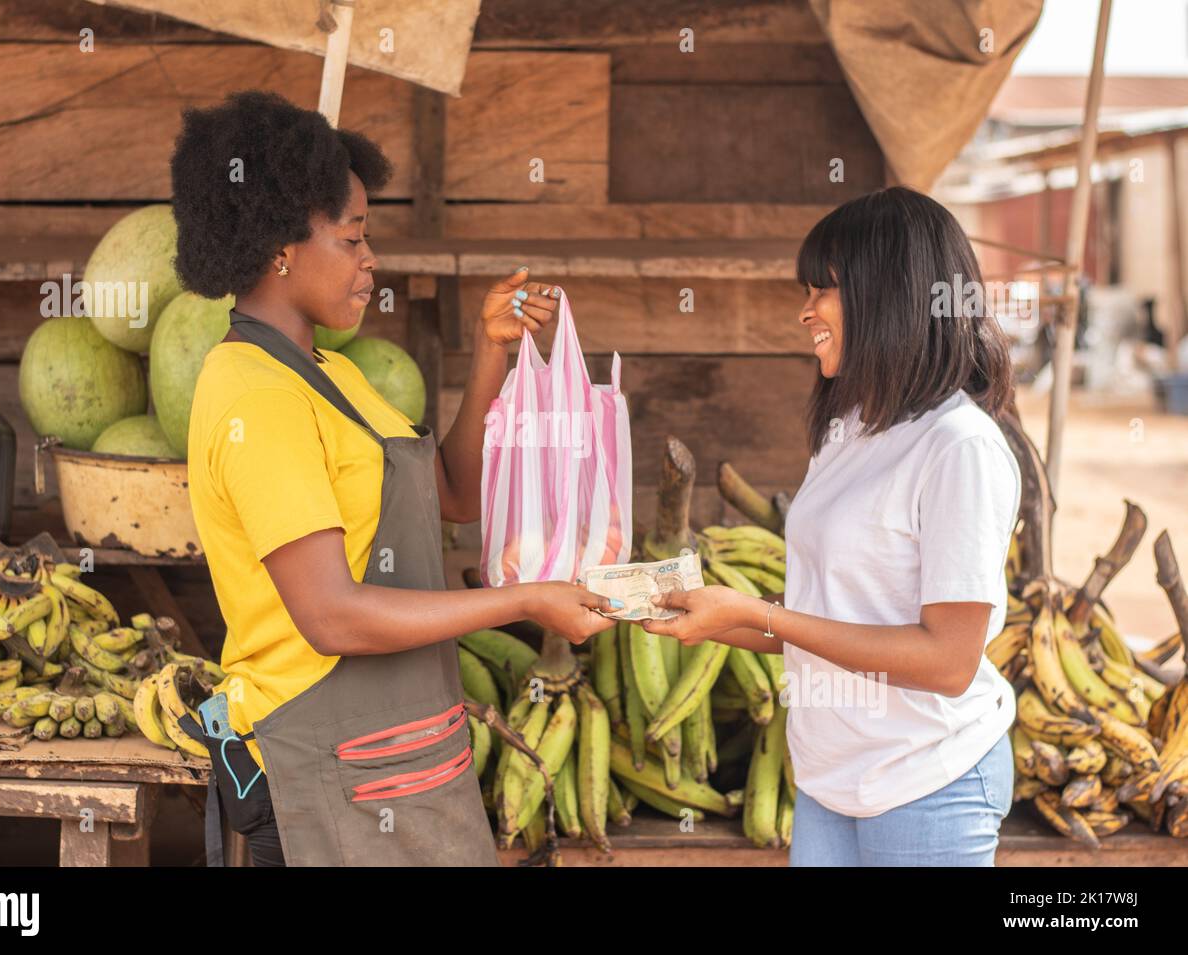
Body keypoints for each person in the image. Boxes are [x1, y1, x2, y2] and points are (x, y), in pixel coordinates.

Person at [170, 90, 617, 867]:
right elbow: (332, 618)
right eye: (352, 238)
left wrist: (489, 355)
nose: (369, 259)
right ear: (280, 248)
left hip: (404, 762)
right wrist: (522, 601)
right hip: (323, 777)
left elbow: (452, 495)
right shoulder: (254, 396)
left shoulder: (330, 372)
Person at [644, 187, 1022, 866]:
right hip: (827, 781)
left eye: (825, 291)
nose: (805, 310)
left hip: (926, 783)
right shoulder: (848, 430)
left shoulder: (958, 447)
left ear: (894, 297)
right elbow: (831, 617)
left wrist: (761, 615)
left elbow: (947, 661)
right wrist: (680, 609)